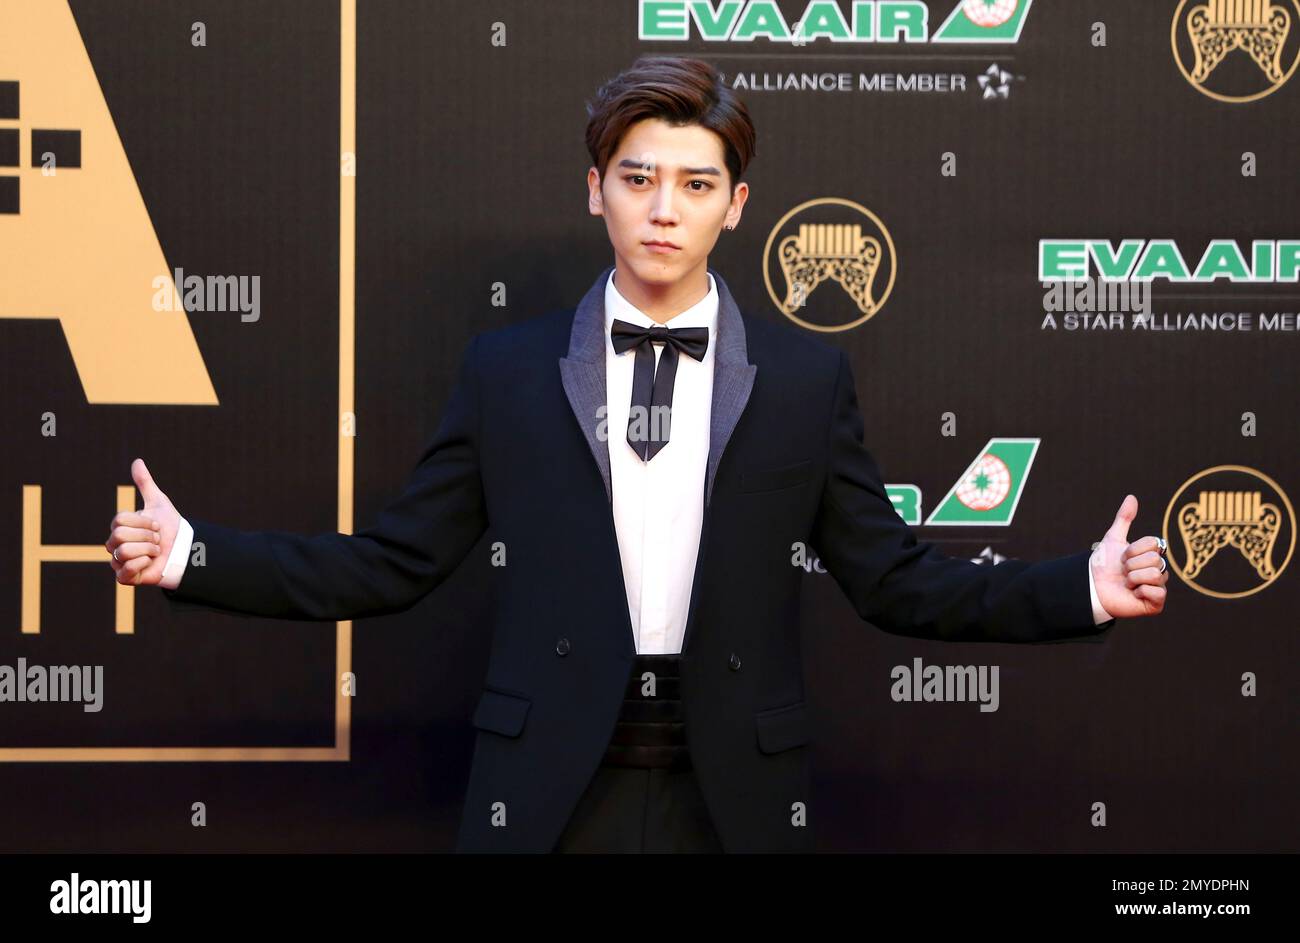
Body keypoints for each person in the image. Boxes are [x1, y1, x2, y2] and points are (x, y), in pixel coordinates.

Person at [103, 56, 1169, 853]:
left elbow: (892, 580)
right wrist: (193, 556)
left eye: (697, 185)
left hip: (739, 792)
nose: (664, 210)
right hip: (549, 784)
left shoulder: (803, 381)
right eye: (638, 177)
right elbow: (392, 562)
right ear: (594, 188)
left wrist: (1080, 587)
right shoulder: (507, 371)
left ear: (737, 207)